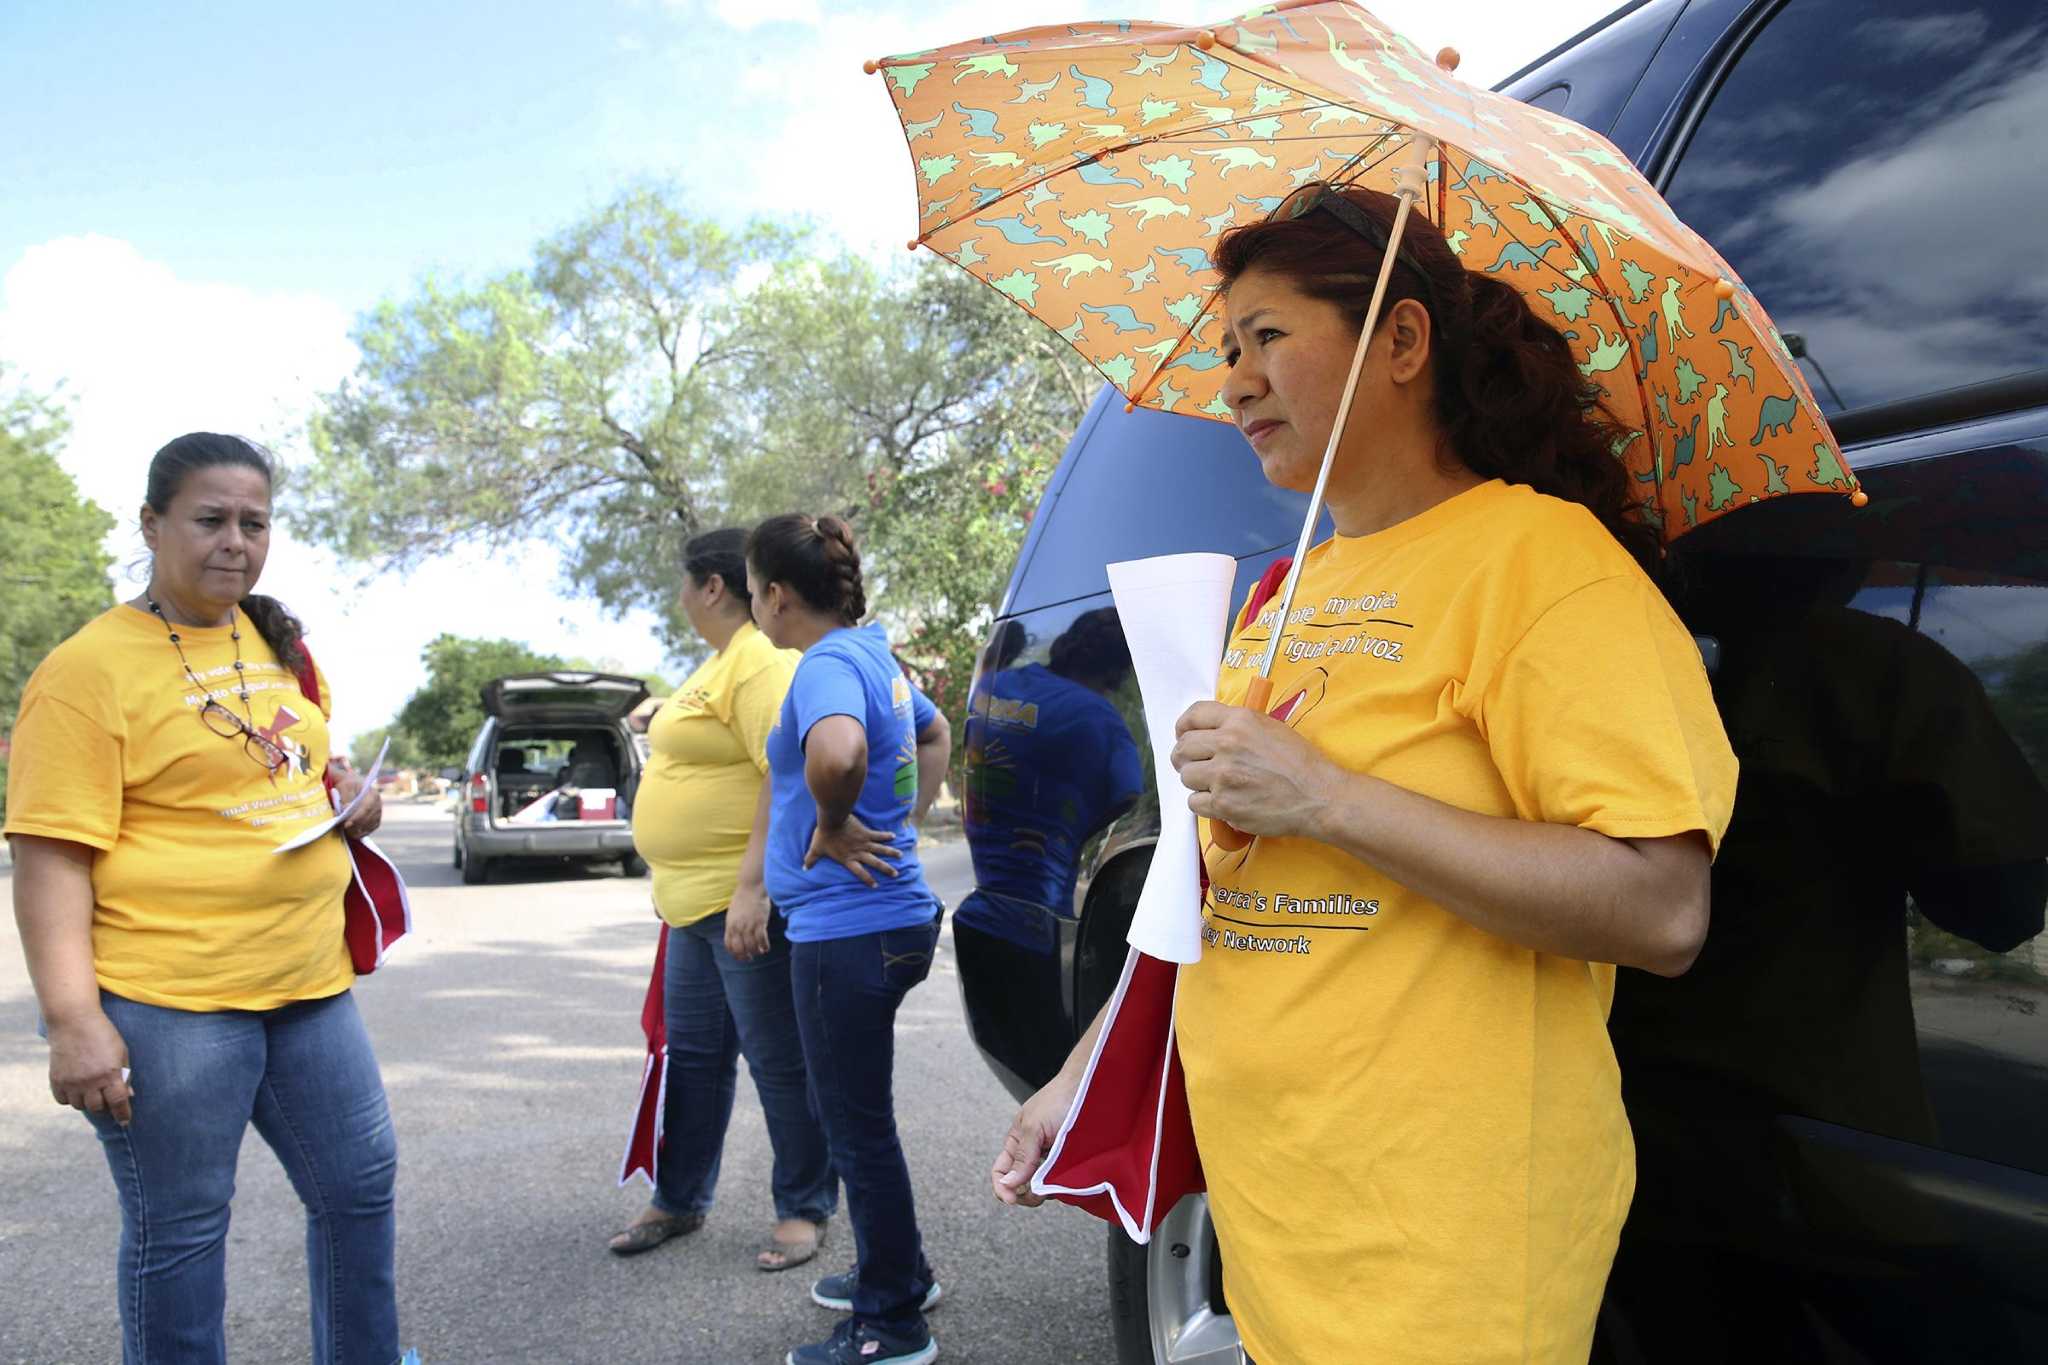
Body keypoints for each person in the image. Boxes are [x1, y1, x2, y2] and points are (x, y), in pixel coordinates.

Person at [990, 183, 1741, 1364]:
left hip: (1444, 1233)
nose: (1232, 379)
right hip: (1282, 1196)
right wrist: (1076, 1080)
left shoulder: (1542, 568)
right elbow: (1213, 891)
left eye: (1267, 339)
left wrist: (1327, 798)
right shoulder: (1291, 591)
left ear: (1400, 340)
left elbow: (1659, 907)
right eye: (1224, 348)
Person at [5, 433, 400, 1365]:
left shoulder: (274, 638)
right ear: (151, 524)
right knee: (181, 1232)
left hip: (308, 986)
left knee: (359, 1190)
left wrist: (354, 801)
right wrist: (73, 1020)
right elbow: (49, 856)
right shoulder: (85, 671)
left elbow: (302, 766)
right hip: (170, 1005)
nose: (235, 541)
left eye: (254, 523)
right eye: (210, 519)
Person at [745, 513, 951, 1365]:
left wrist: (834, 823)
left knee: (855, 1129)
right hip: (890, 919)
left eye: (754, 590)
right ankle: (898, 1269)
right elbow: (935, 733)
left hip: (846, 933)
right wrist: (906, 820)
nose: (757, 604)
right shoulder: (874, 653)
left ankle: (891, 1323)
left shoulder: (825, 664)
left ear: (777, 595)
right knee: (865, 1120)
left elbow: (836, 752)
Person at [606, 527, 837, 1271]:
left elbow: (787, 771)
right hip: (689, 907)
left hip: (738, 904)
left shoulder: (758, 662)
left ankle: (803, 1206)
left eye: (684, 583)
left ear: (712, 586)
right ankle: (680, 1197)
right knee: (696, 1059)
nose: (679, 598)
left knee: (779, 1060)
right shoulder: (715, 665)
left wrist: (752, 887)